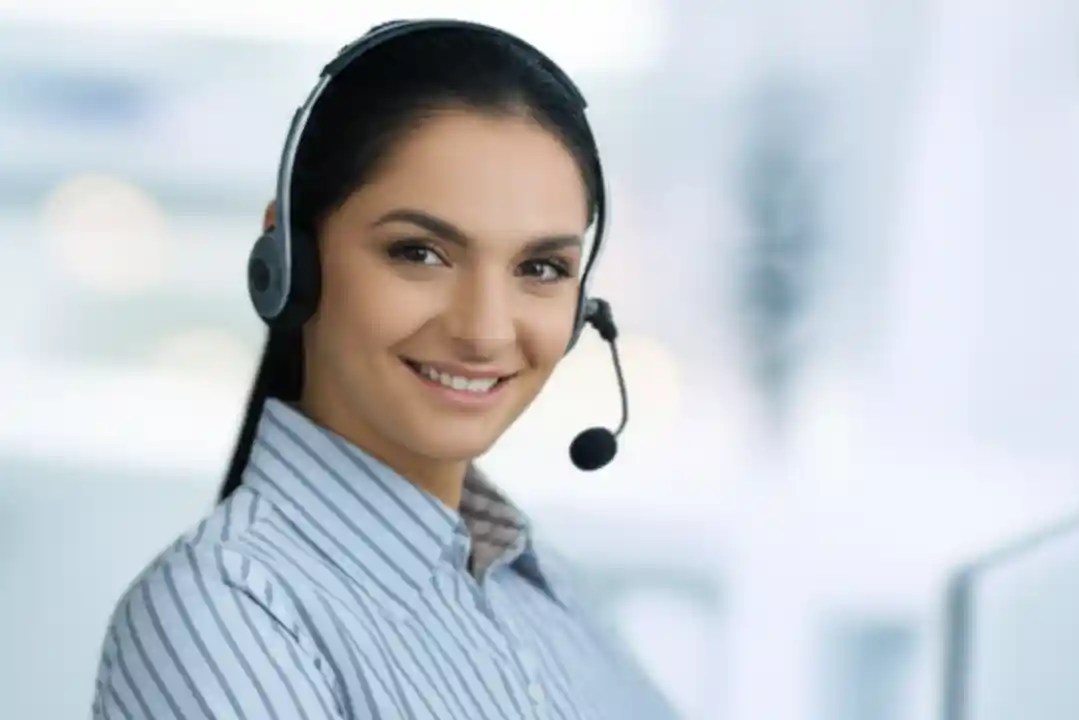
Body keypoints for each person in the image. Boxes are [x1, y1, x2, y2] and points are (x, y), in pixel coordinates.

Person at [91, 20, 676, 720]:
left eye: (540, 268)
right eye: (420, 253)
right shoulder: (223, 612)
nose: (485, 329)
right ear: (292, 261)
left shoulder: (549, 589)